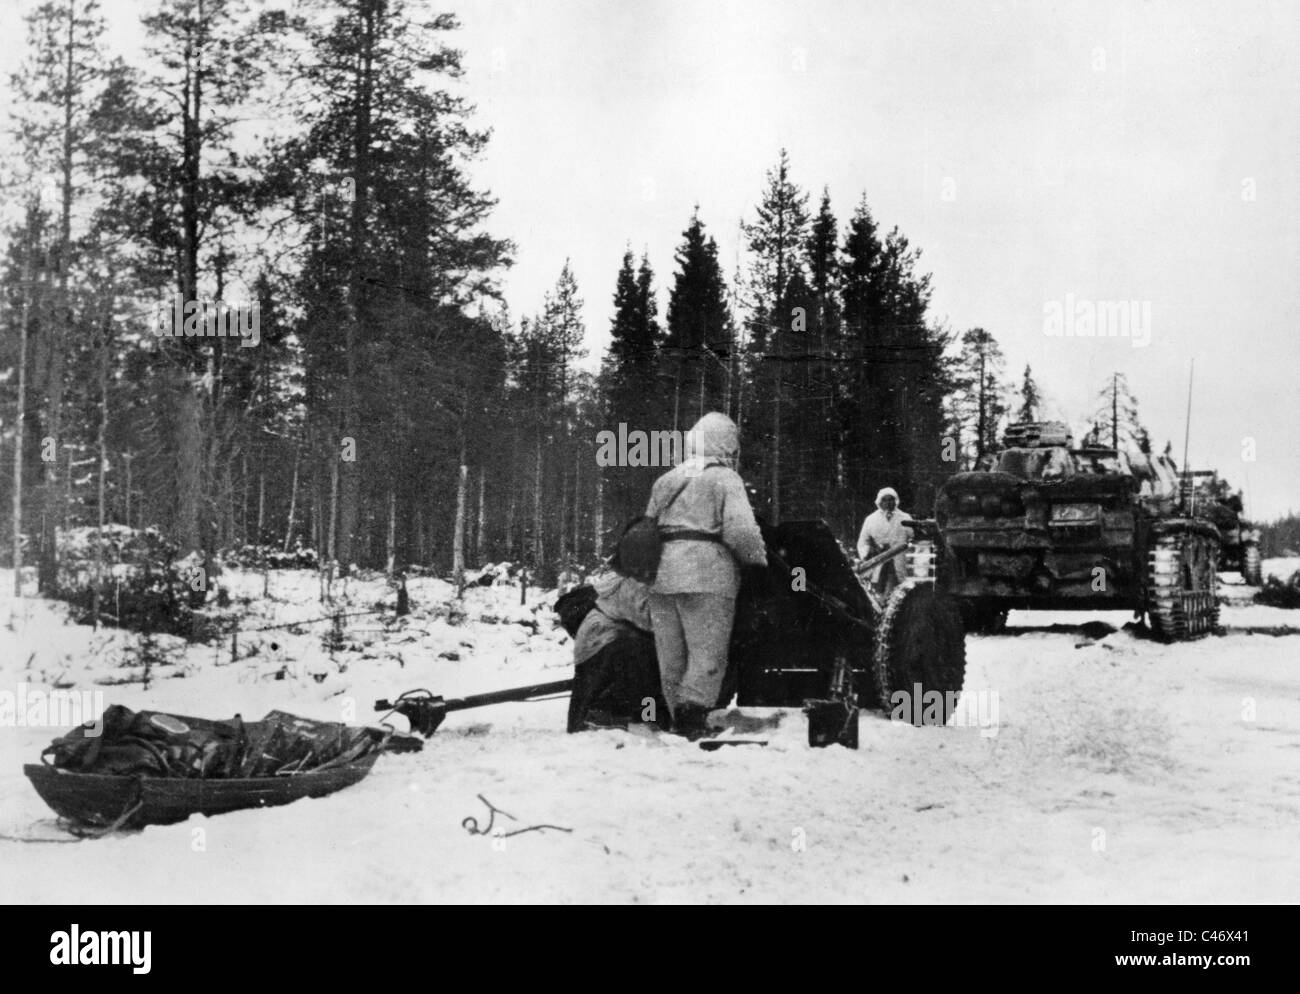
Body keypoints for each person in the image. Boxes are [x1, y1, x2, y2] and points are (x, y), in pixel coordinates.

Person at [645, 412, 767, 739]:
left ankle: (676, 719)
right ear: (726, 443)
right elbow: (741, 532)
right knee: (706, 655)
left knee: (671, 658)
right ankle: (693, 721)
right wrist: (758, 562)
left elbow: (648, 529)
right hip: (707, 577)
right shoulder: (726, 479)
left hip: (661, 577)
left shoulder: (667, 480)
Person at [567, 570, 666, 732]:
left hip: (606, 637)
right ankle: (648, 717)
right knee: (649, 663)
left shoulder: (632, 578)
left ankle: (651, 715)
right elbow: (648, 621)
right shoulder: (633, 583)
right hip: (601, 639)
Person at [856, 487, 913, 598]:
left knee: (901, 591)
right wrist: (866, 555)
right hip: (879, 560)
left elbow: (913, 538)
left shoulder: (905, 518)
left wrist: (907, 551)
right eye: (884, 500)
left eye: (891, 499)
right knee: (879, 592)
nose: (888, 503)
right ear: (879, 502)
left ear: (895, 500)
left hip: (900, 560)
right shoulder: (871, 519)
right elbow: (863, 542)